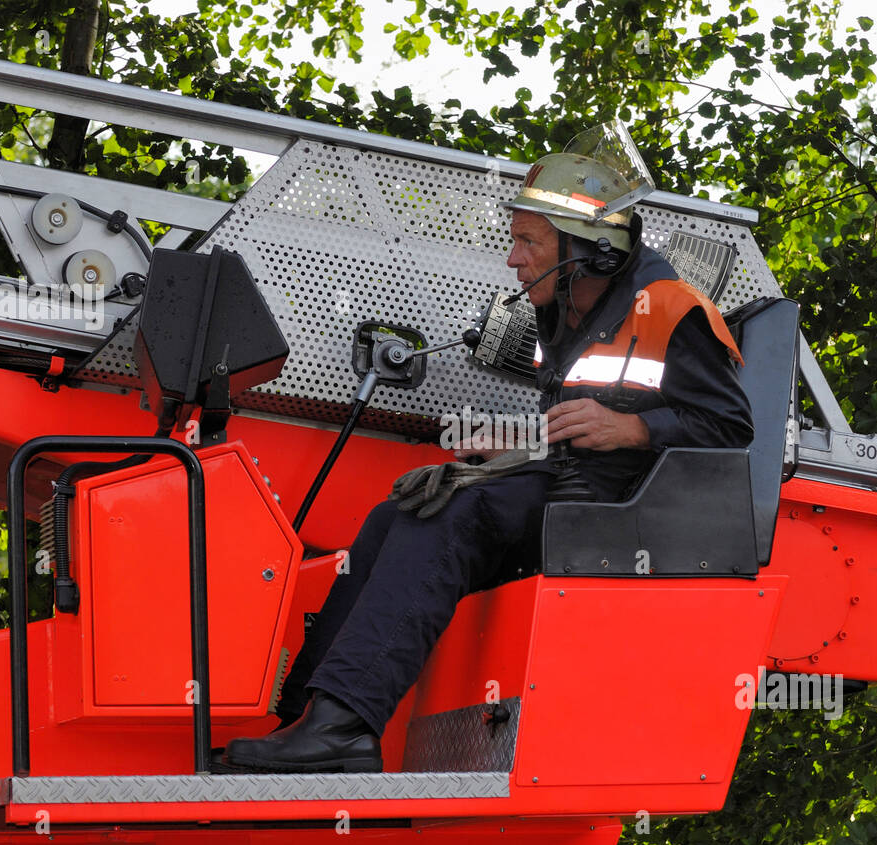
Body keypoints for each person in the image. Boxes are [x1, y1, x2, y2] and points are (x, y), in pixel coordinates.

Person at [221, 121, 753, 773]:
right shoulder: (571, 314)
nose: (513, 259)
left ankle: (345, 728)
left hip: (624, 513)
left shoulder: (672, 307)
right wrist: (517, 442)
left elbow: (731, 428)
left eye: (528, 242)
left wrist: (638, 430)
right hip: (570, 486)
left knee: (447, 512)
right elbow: (577, 421)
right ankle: (305, 720)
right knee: (398, 510)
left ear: (585, 250)